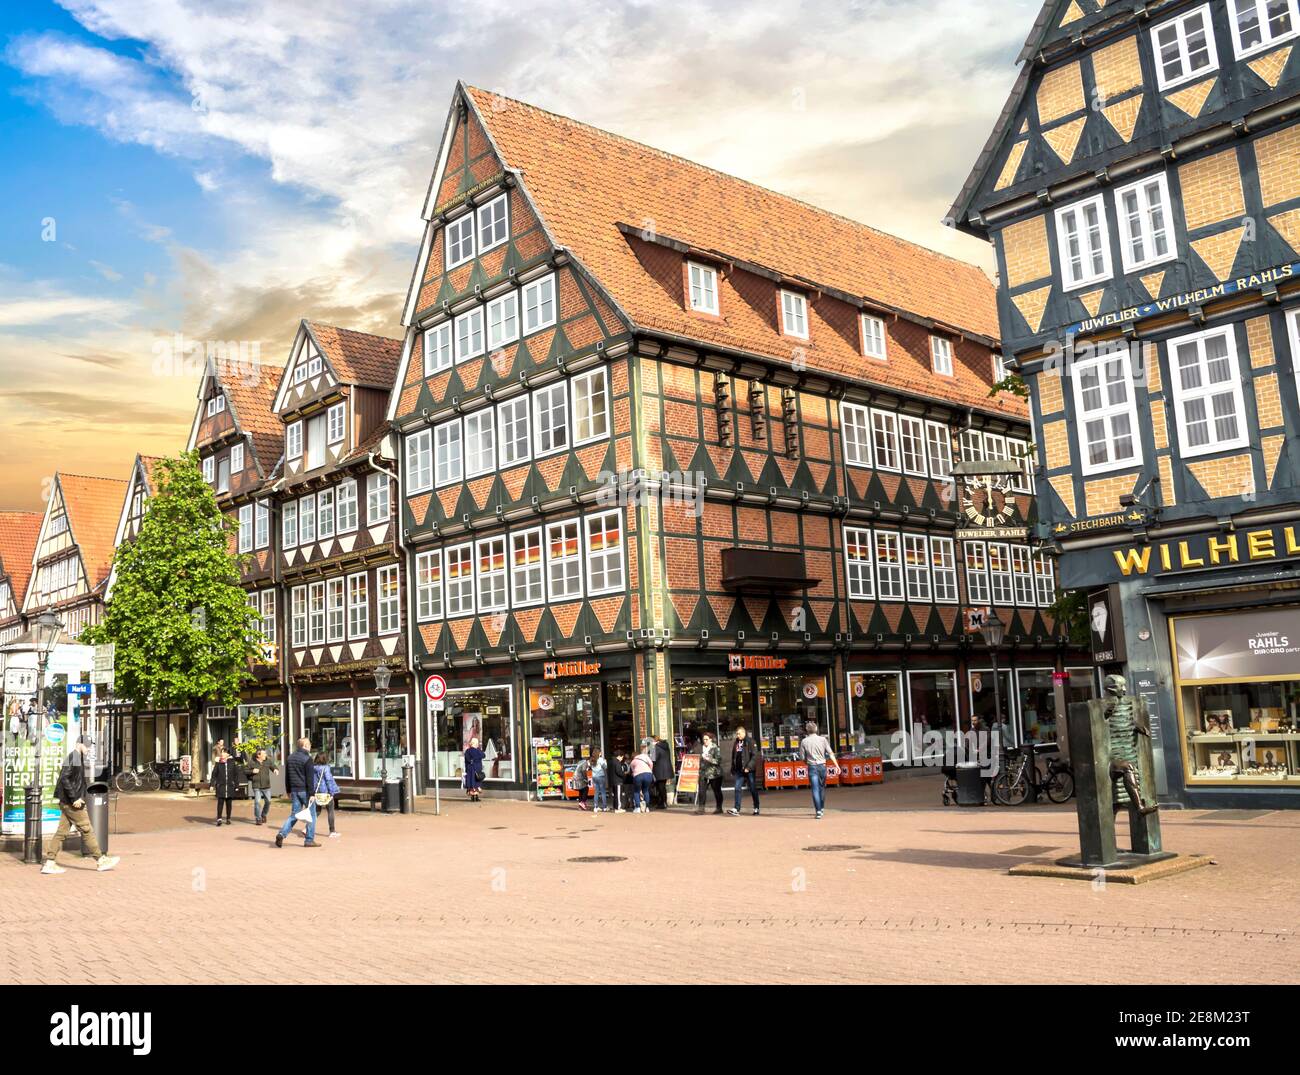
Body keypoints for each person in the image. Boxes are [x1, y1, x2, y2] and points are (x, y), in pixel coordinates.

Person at [41, 738, 119, 874]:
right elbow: (64, 778)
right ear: (80, 744)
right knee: (87, 829)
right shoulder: (74, 757)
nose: (88, 749)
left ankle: (49, 862)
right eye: (87, 746)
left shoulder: (77, 757)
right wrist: (74, 798)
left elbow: (68, 778)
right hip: (72, 804)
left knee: (61, 832)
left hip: (67, 803)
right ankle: (101, 860)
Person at [275, 737, 320, 848]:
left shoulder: (290, 758)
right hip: (305, 790)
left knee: (294, 815)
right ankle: (309, 839)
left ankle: (281, 833)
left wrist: (288, 790)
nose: (310, 745)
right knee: (312, 815)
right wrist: (312, 793)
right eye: (309, 744)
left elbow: (287, 775)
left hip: (295, 790)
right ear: (304, 746)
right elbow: (310, 778)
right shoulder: (307, 758)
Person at [799, 721, 838, 820]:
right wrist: (837, 766)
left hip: (812, 766)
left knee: (815, 789)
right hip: (822, 766)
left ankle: (818, 811)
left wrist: (806, 762)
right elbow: (831, 753)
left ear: (807, 730)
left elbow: (802, 757)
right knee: (822, 788)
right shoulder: (823, 739)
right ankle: (822, 807)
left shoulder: (804, 741)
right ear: (816, 729)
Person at [727, 725, 761, 816]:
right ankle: (736, 809)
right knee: (737, 788)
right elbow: (734, 756)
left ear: (744, 732)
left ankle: (756, 807)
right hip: (739, 770)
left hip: (749, 770)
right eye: (736, 734)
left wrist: (748, 767)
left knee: (753, 788)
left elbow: (754, 756)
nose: (737, 735)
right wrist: (732, 768)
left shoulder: (750, 741)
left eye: (739, 733)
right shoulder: (736, 743)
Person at [209, 749, 245, 826]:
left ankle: (228, 818)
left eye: (224, 752)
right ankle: (219, 819)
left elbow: (236, 775)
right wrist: (212, 785)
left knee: (229, 803)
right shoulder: (218, 763)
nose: (222, 754)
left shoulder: (232, 763)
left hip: (230, 786)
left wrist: (236, 785)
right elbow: (214, 775)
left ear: (228, 754)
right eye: (221, 752)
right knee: (220, 803)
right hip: (220, 786)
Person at [313, 753, 342, 838]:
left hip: (316, 792)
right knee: (330, 811)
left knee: (317, 812)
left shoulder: (312, 768)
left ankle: (307, 828)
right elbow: (329, 780)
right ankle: (332, 831)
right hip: (325, 792)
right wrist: (332, 792)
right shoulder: (326, 768)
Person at [247, 748, 278, 825]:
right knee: (257, 802)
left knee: (268, 801)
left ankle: (263, 815)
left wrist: (275, 770)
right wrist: (252, 771)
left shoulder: (268, 761)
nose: (265, 755)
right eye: (263, 754)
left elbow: (273, 766)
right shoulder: (252, 762)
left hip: (266, 786)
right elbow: (245, 770)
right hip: (256, 785)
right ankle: (258, 818)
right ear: (258, 755)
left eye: (265, 753)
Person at [695, 732, 723, 815]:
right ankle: (701, 809)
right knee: (701, 791)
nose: (705, 741)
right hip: (703, 773)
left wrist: (709, 759)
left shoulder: (715, 748)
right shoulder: (701, 748)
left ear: (710, 739)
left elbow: (718, 761)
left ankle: (719, 808)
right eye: (704, 739)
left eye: (707, 739)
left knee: (717, 791)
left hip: (714, 773)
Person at [630, 745, 655, 814]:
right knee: (646, 790)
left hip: (638, 775)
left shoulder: (633, 762)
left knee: (636, 791)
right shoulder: (645, 756)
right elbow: (651, 763)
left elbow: (633, 771)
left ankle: (637, 808)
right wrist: (650, 770)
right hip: (648, 774)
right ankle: (647, 808)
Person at [651, 737, 673, 809]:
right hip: (666, 770)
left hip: (659, 770)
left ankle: (662, 803)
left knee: (660, 787)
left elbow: (653, 759)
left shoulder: (656, 747)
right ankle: (663, 802)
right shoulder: (665, 746)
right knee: (662, 787)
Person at [464, 736, 485, 802]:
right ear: (476, 744)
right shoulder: (478, 751)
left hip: (470, 769)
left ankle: (473, 798)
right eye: (477, 743)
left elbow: (467, 760)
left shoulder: (467, 751)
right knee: (477, 782)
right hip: (477, 769)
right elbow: (483, 755)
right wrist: (478, 749)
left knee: (471, 782)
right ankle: (476, 797)